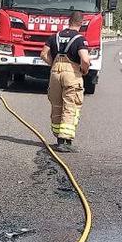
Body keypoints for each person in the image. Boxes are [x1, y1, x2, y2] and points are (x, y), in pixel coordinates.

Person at [39, 11, 91, 152]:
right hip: (72, 74)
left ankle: (57, 138)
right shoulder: (80, 39)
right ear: (81, 23)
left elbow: (43, 53)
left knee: (57, 105)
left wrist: (54, 65)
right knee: (71, 105)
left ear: (69, 21)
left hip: (55, 73)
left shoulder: (54, 37)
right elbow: (85, 59)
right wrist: (84, 70)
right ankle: (65, 142)